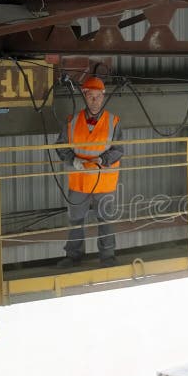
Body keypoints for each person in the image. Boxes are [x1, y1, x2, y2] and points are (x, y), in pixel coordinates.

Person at [55, 76, 123, 268]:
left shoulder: (114, 121)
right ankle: (73, 256)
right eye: (90, 96)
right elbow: (61, 146)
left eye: (98, 97)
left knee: (105, 219)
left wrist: (103, 159)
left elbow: (118, 150)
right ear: (84, 96)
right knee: (76, 219)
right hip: (79, 181)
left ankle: (108, 256)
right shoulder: (71, 121)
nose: (94, 100)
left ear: (103, 97)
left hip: (104, 182)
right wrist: (73, 160)